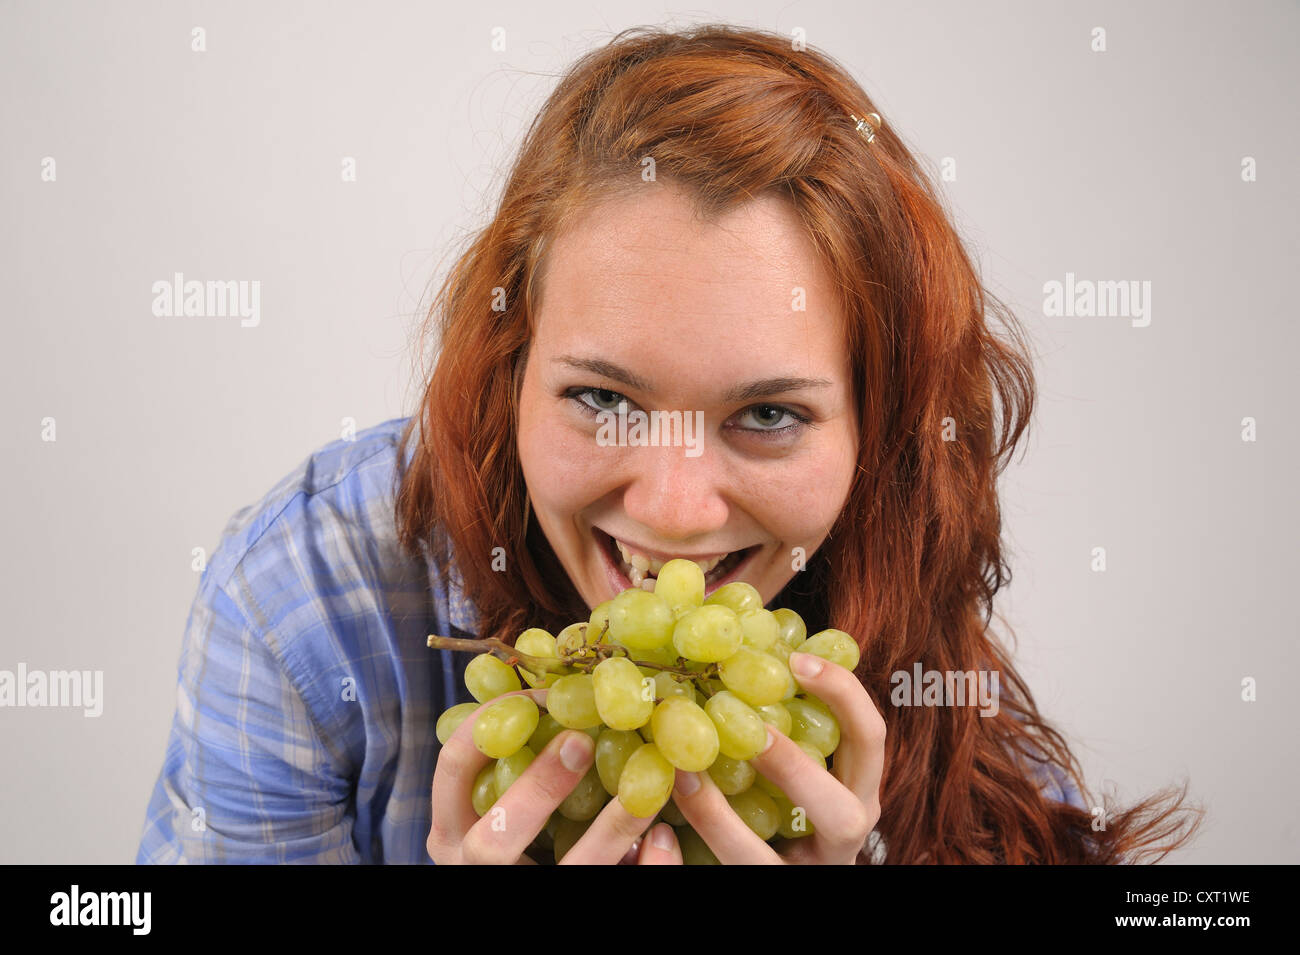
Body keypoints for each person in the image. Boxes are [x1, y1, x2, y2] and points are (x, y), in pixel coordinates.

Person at [137, 23, 1201, 865]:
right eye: (603, 398)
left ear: (881, 433)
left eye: (769, 415)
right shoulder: (308, 606)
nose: (676, 511)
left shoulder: (909, 635)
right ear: (509, 368)